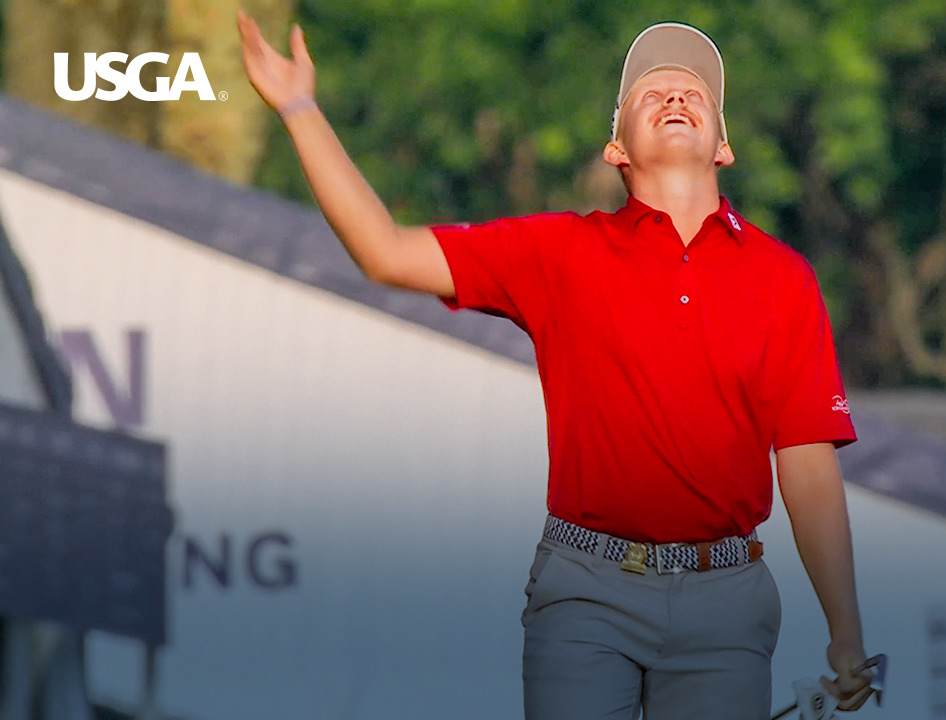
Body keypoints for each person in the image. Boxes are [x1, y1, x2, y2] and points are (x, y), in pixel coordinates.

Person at [237, 11, 876, 718]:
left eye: (694, 93)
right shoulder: (561, 253)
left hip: (725, 605)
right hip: (586, 591)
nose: (673, 97)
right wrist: (299, 110)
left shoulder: (782, 278)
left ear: (723, 146)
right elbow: (385, 250)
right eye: (650, 93)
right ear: (615, 149)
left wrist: (845, 630)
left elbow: (809, 465)